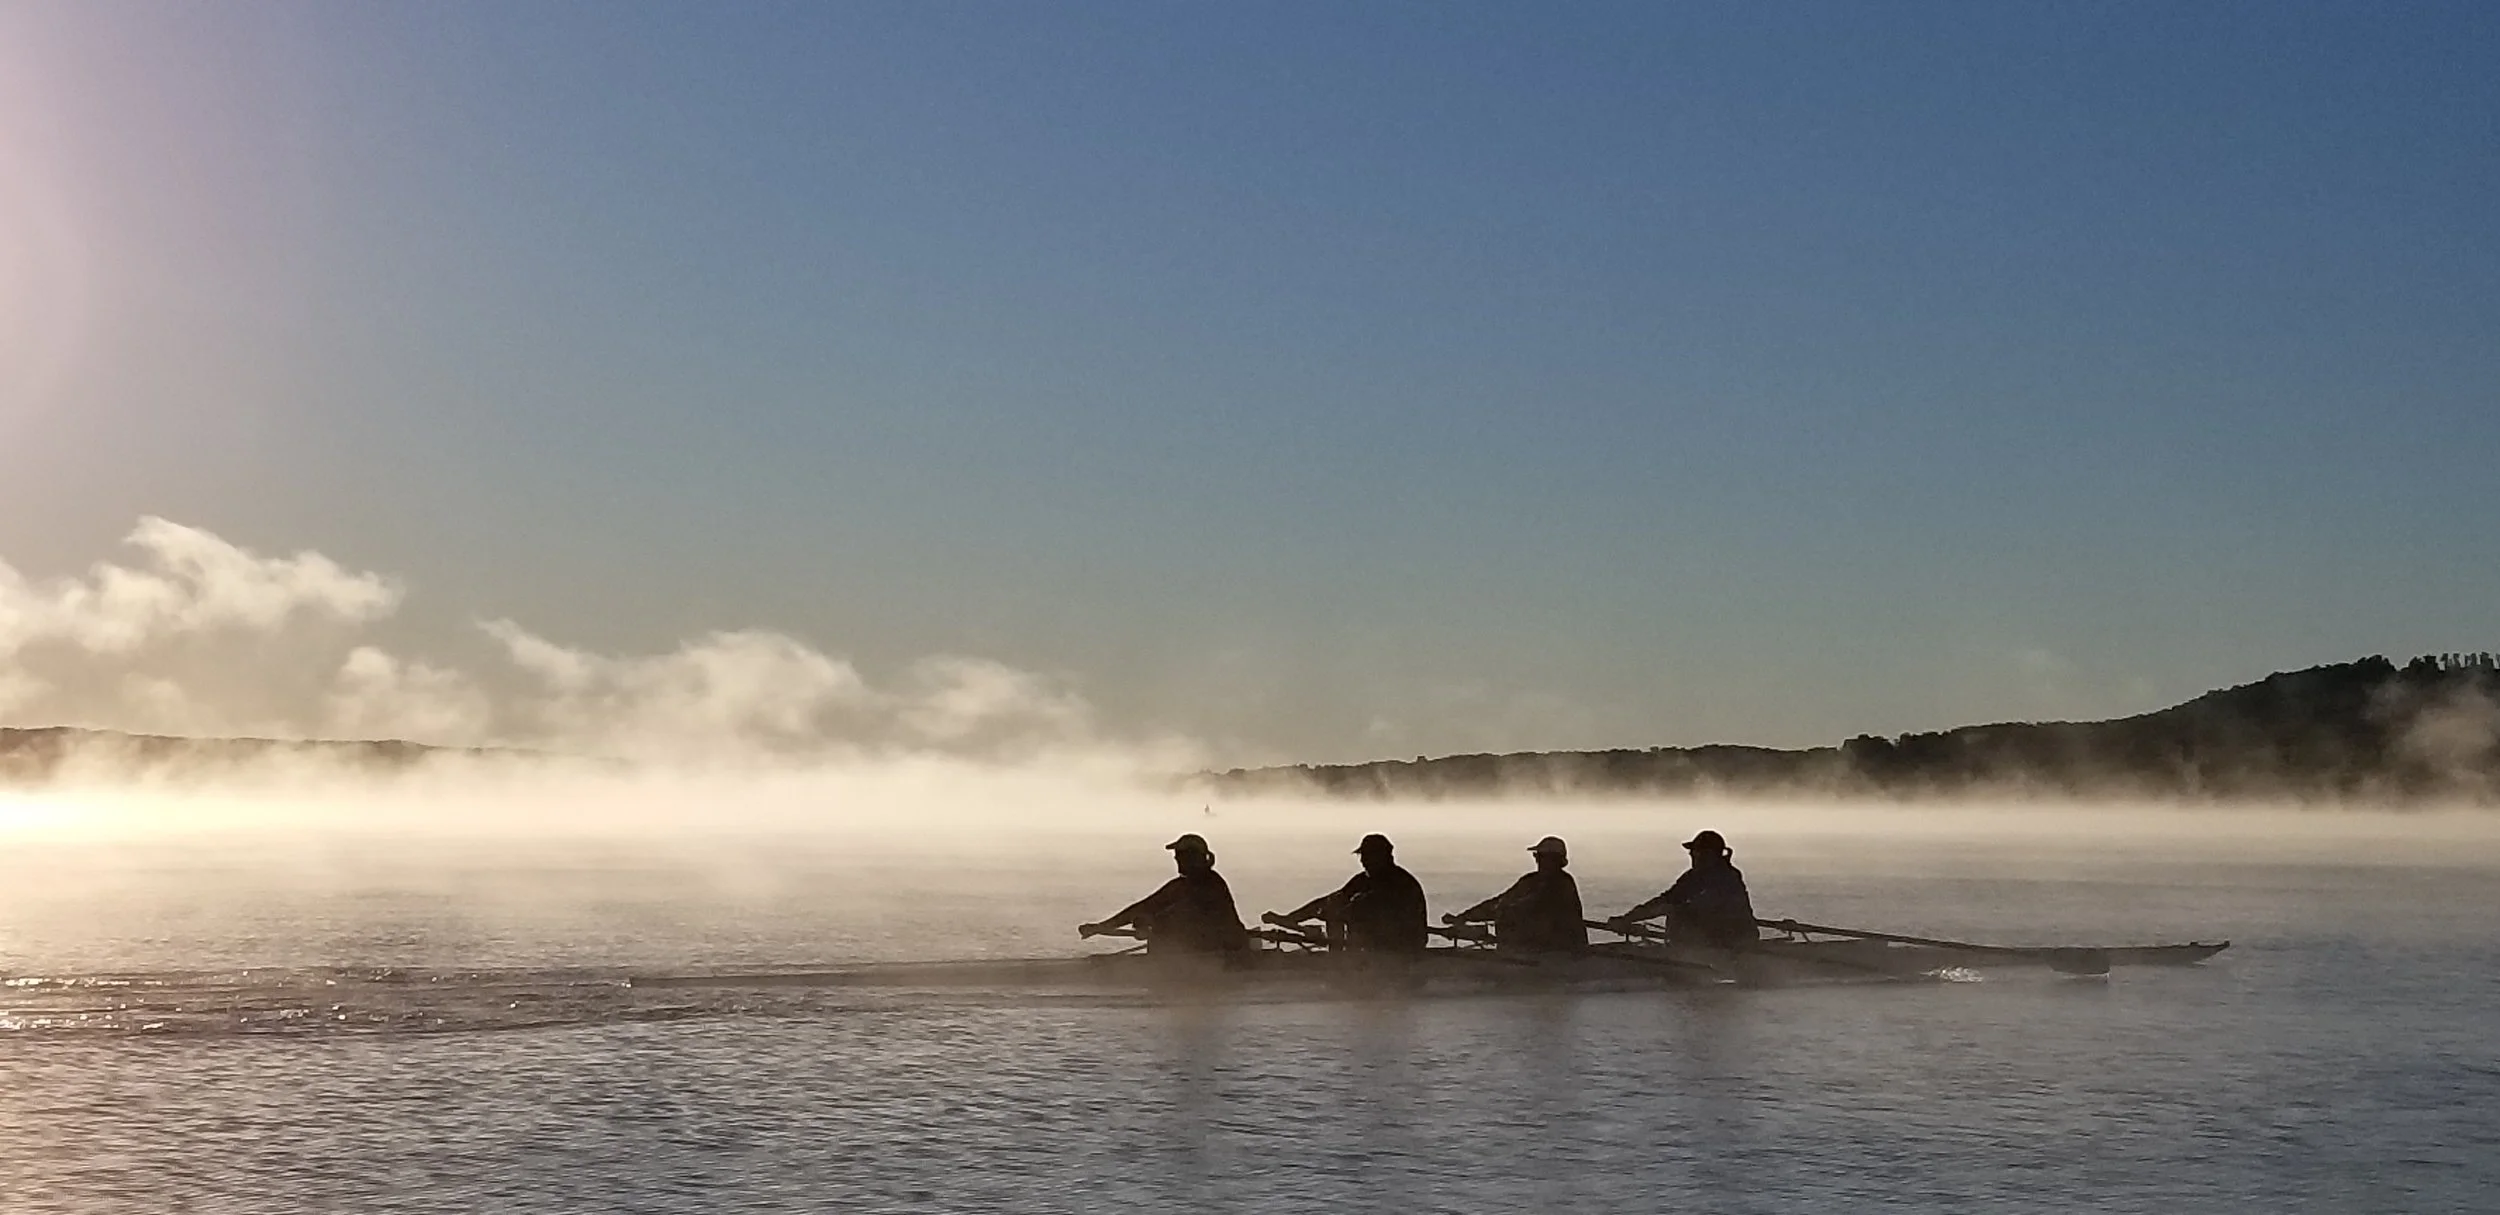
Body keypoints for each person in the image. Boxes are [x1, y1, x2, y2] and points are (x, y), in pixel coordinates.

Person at [1078, 833, 1249, 954]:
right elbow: (1145, 907)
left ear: (1195, 858)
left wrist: (1152, 922)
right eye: (1176, 855)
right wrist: (1102, 926)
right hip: (1202, 951)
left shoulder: (1209, 884)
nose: (1176, 859)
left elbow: (1185, 913)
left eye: (1180, 855)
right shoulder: (1183, 884)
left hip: (1225, 953)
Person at [1263, 833, 1429, 952]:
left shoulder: (1399, 883)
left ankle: (1341, 964)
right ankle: (1340, 960)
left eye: (1368, 856)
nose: (1363, 861)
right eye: (1362, 856)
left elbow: (1357, 910)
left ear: (1385, 857)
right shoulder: (1363, 879)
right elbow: (1330, 900)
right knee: (1335, 907)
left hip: (1403, 946)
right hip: (1376, 942)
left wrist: (1330, 914)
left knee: (1340, 913)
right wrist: (1288, 919)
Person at [1609, 829, 1757, 950]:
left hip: (1736, 940)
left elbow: (1701, 906)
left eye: (1696, 851)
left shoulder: (1727, 877)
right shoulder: (1693, 876)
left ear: (1710, 854)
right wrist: (1627, 918)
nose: (1691, 855)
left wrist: (1668, 909)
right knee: (1676, 912)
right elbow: (1667, 898)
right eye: (1692, 852)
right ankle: (1678, 952)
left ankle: (1681, 957)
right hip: (1709, 938)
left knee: (1679, 914)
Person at [1441, 836, 1588, 953]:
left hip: (1559, 950)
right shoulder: (1530, 880)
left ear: (1554, 860)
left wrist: (1501, 912)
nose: (1537, 860)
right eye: (1536, 856)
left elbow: (1528, 905)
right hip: (1529, 948)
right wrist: (1464, 917)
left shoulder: (1561, 883)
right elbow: (1499, 902)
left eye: (1539, 856)